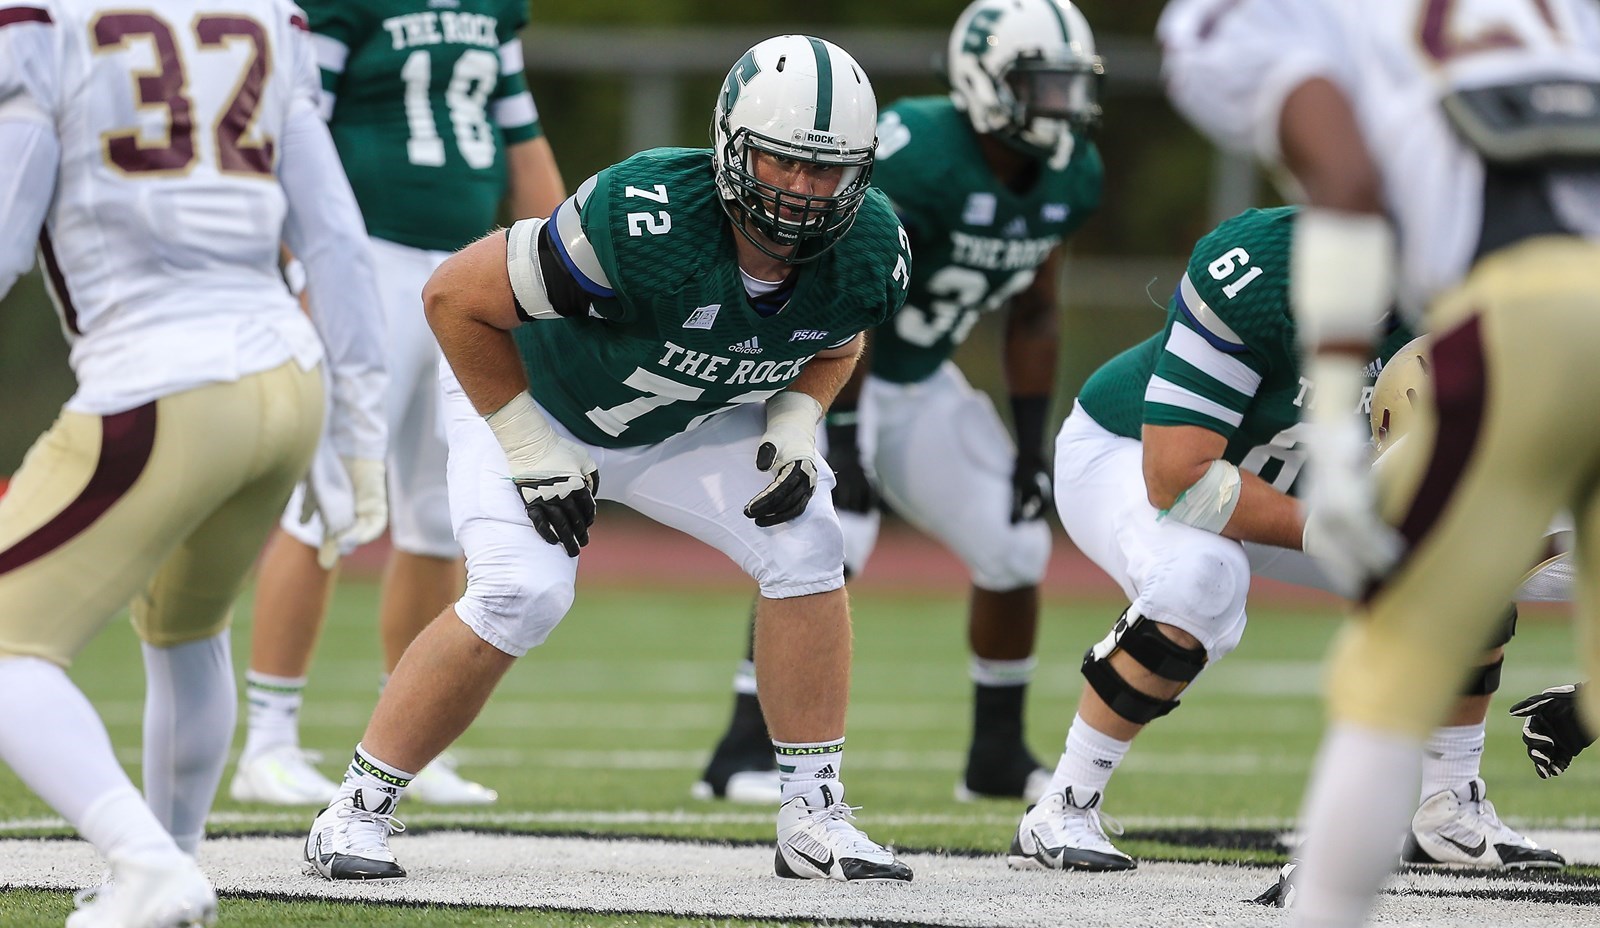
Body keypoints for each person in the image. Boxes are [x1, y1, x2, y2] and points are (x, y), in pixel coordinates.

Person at [302, 34, 917, 883]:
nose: (807, 192)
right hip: (534, 399)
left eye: (829, 172)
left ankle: (812, 816)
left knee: (812, 541)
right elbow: (453, 298)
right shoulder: (645, 216)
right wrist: (526, 443)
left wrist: (799, 421)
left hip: (681, 424)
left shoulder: (869, 249)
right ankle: (354, 811)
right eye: (784, 165)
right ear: (734, 147)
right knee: (523, 592)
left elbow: (832, 341)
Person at [1159, 1, 1600, 924]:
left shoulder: (1303, 25)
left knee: (1393, 659)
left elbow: (1347, 183)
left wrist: (1332, 427)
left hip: (1529, 314)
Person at [1008, 206, 1561, 874]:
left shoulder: (1468, 284)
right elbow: (1177, 477)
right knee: (1202, 581)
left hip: (1309, 482)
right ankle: (1064, 804)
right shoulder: (1258, 269)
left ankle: (1451, 809)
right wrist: (1330, 528)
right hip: (1136, 454)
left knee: (1467, 569)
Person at [0, 0, 387, 923]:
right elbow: (332, 234)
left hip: (164, 383)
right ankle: (171, 870)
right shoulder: (265, 14)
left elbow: (7, 226)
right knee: (185, 629)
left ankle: (145, 864)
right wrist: (357, 422)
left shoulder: (44, 18)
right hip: (287, 379)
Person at [694, 0, 1105, 807]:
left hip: (916, 380)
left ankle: (994, 752)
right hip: (828, 359)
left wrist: (1031, 444)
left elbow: (1035, 309)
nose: (1058, 105)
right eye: (1040, 85)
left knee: (1018, 544)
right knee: (835, 530)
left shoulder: (1072, 173)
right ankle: (742, 749)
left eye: (1066, 86)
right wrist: (840, 433)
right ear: (984, 79)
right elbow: (849, 287)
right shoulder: (920, 150)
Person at [229, 0, 567, 808]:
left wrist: (561, 247)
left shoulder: (494, 8)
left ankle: (407, 739)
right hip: (366, 261)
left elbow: (520, 137)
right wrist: (297, 264)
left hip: (468, 269)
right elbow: (293, 134)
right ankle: (269, 742)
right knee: (327, 500)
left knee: (430, 511)